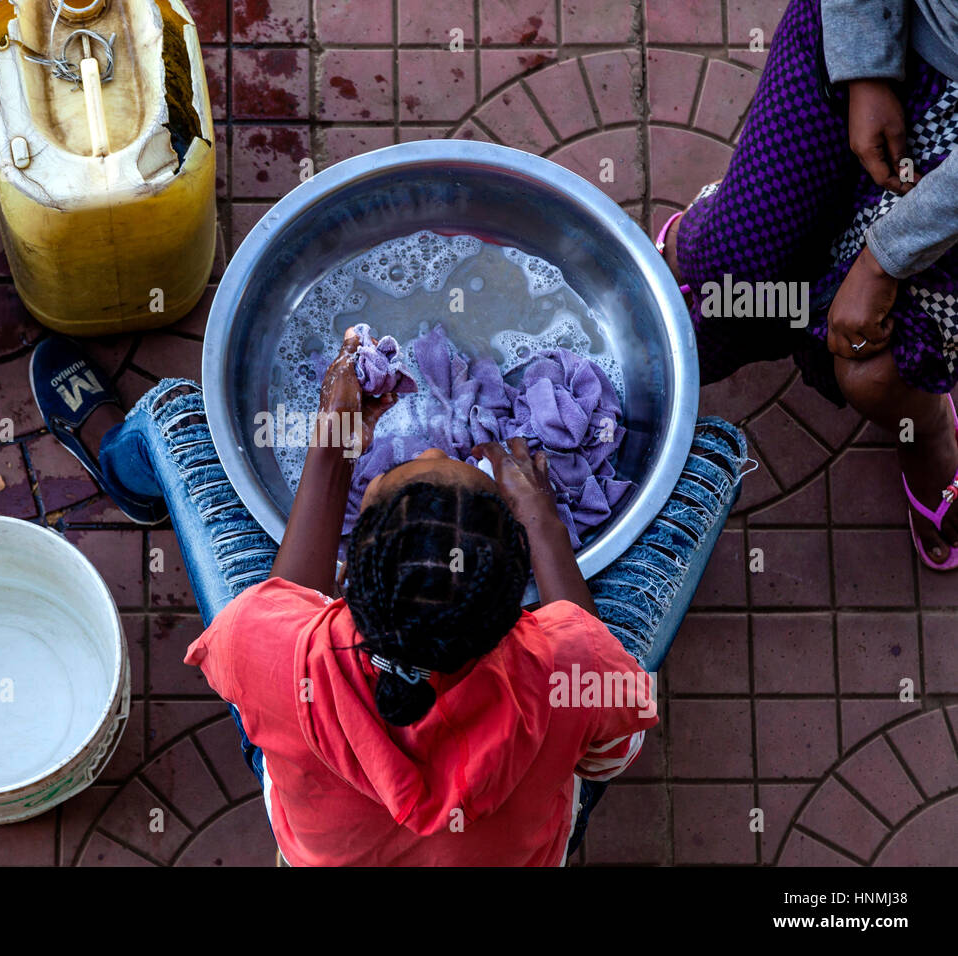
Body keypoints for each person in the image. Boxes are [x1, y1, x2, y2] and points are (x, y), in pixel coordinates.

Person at [181, 331, 658, 866]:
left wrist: (334, 444)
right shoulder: (570, 665)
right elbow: (609, 760)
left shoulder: (266, 646)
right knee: (709, 457)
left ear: (345, 581)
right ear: (522, 611)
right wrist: (542, 522)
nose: (432, 448)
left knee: (174, 411)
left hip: (316, 839)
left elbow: (284, 602)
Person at [658, 0, 958, 569]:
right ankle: (712, 231)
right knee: (732, 275)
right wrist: (865, 65)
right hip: (883, 22)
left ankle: (931, 424)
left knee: (872, 371)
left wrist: (883, 261)